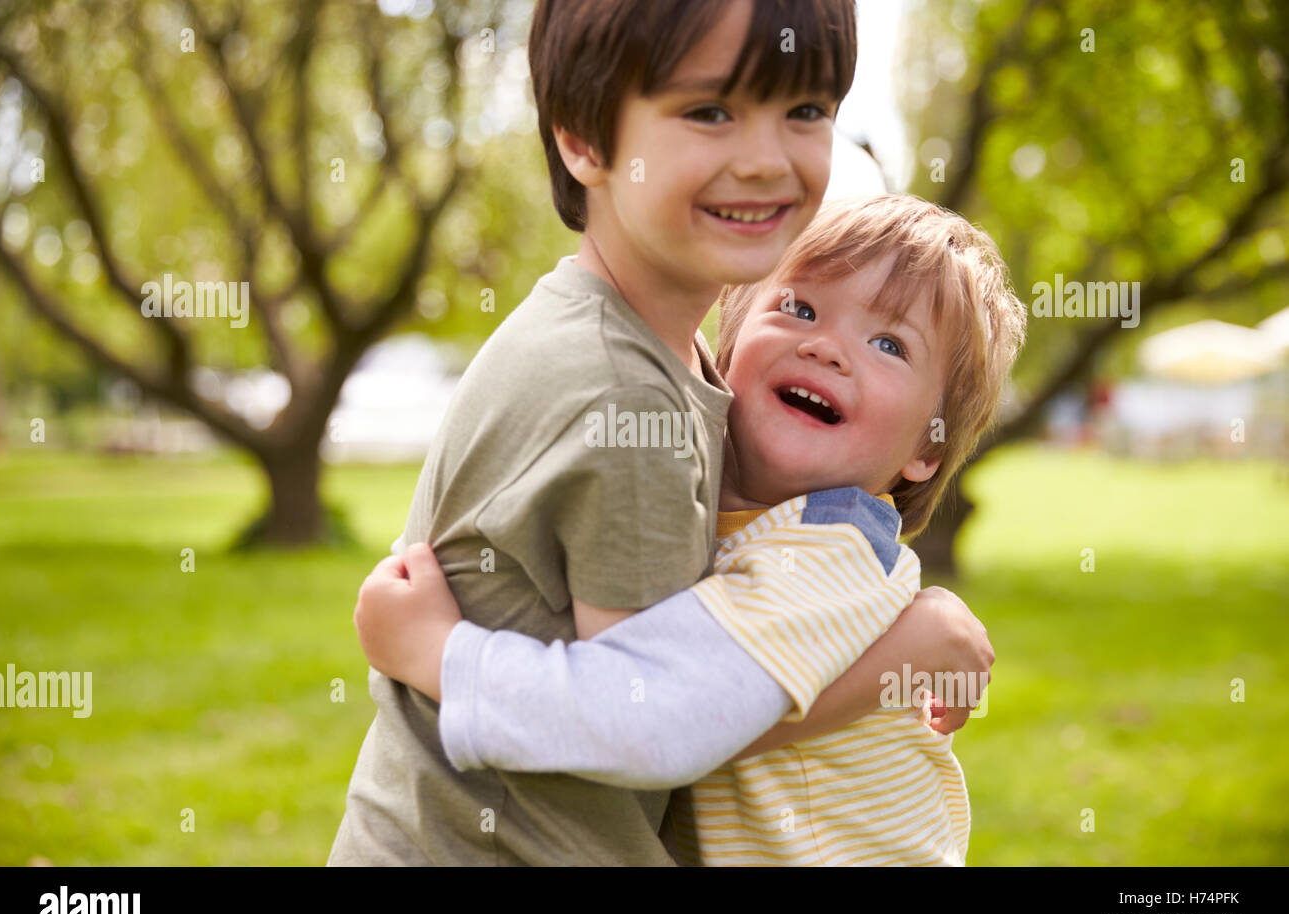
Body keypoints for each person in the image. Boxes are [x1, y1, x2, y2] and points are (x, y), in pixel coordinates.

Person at [355, 194, 1026, 865]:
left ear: (928, 448)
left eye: (889, 345)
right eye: (799, 308)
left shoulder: (832, 549)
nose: (826, 348)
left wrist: (439, 655)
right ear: (726, 344)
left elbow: (662, 723)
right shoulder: (689, 478)